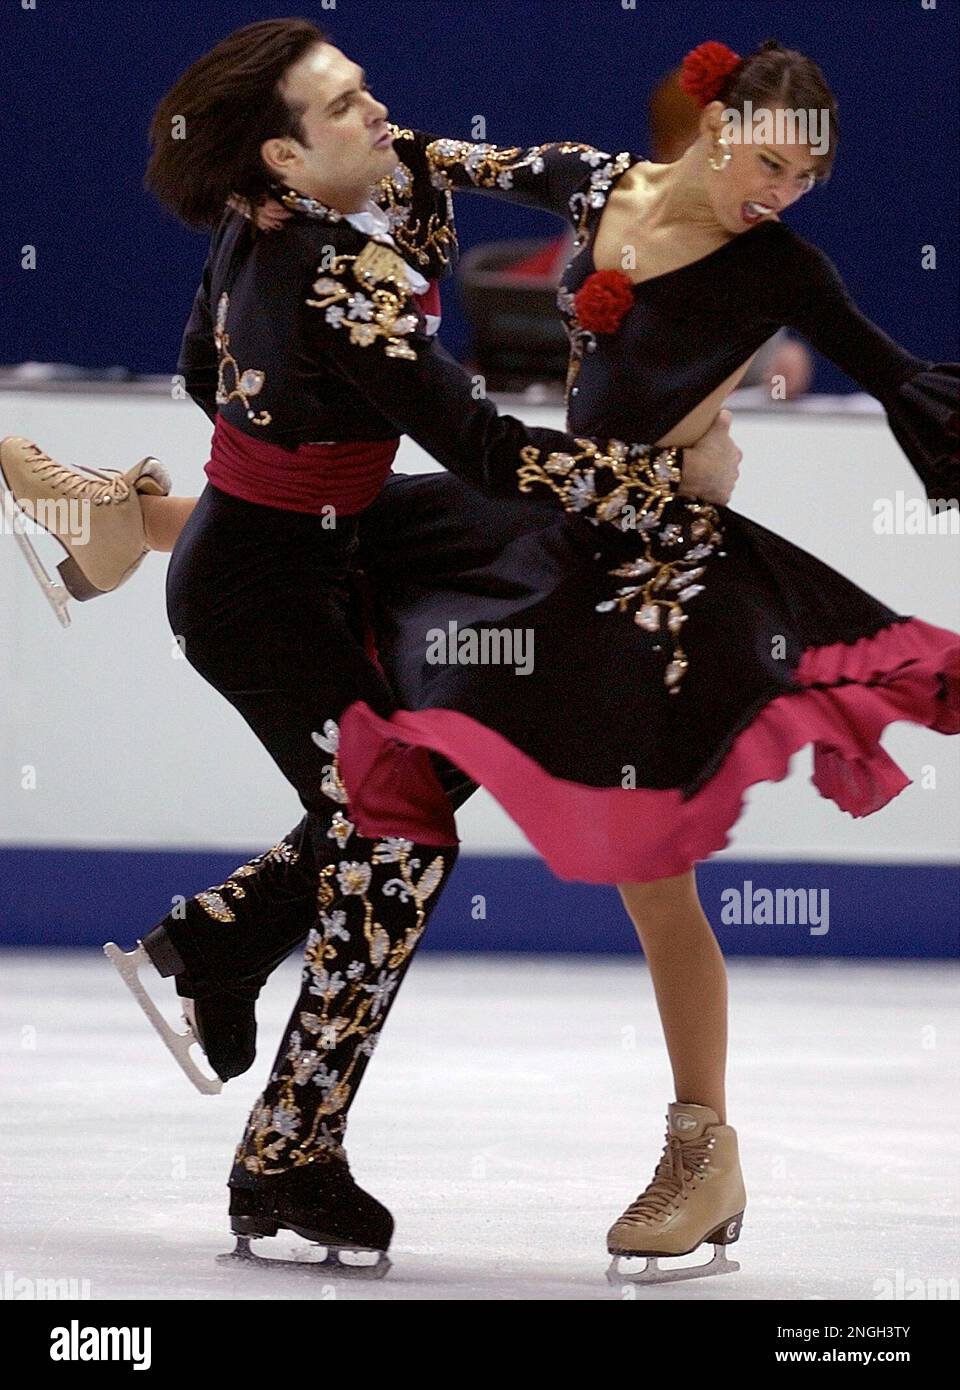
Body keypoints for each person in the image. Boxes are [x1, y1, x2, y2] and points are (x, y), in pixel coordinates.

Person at [5, 32, 957, 1284]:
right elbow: (477, 425)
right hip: (411, 563)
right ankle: (275, 1098)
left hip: (485, 549)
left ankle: (227, 912)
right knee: (417, 810)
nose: (784, 189)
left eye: (808, 175)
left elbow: (247, 331)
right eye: (770, 157)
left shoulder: (282, 217)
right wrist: (646, 483)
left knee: (507, 754)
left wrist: (302, 414)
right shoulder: (447, 231)